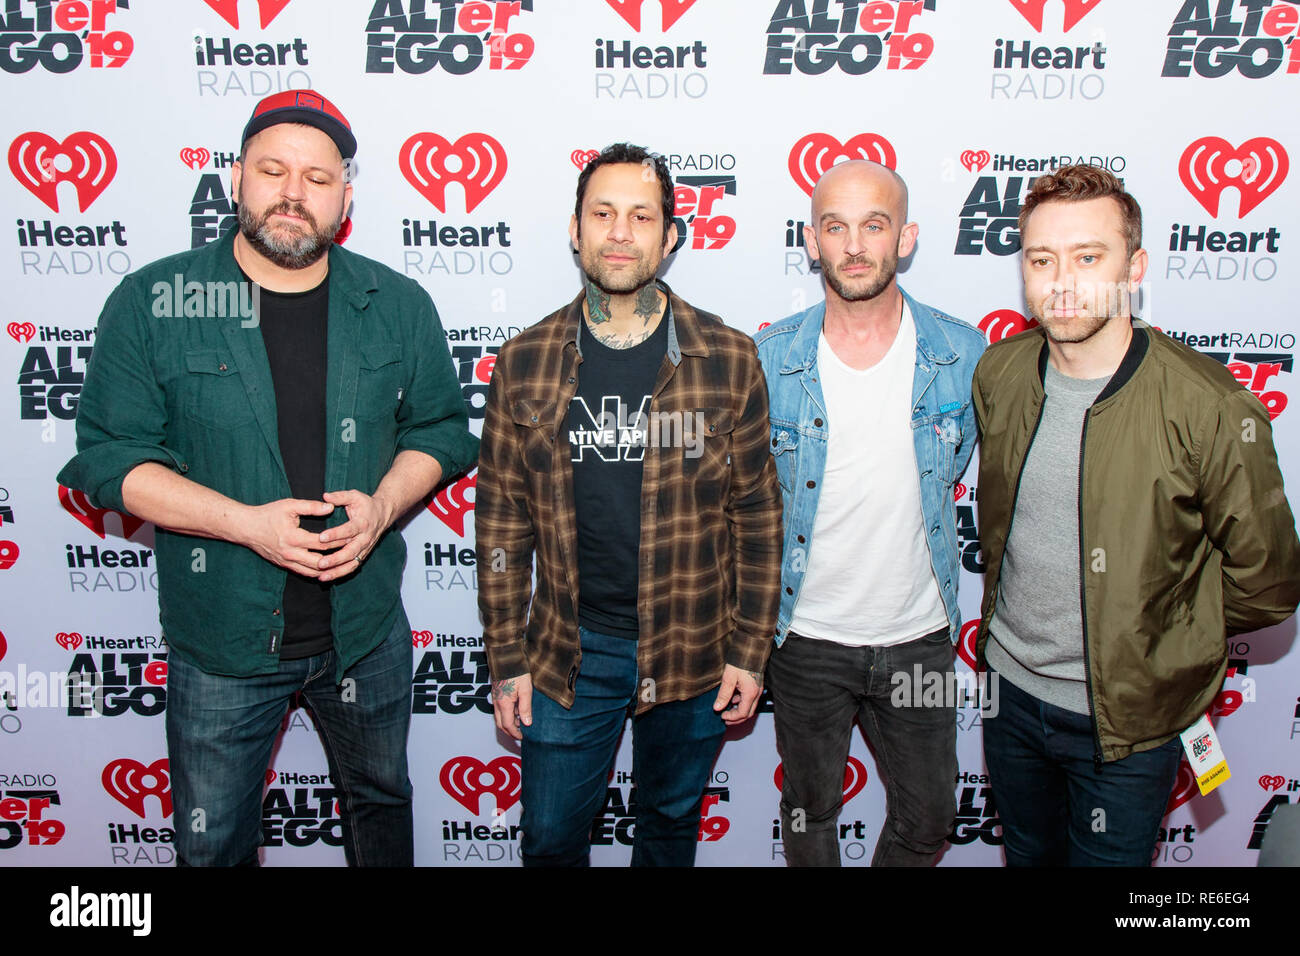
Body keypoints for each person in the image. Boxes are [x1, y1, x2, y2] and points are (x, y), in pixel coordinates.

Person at [57, 89, 478, 866]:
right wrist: (246, 524)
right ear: (234, 179)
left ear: (346, 197)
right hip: (223, 639)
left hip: (364, 632)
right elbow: (109, 460)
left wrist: (385, 504)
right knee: (212, 844)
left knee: (383, 807)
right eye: (273, 169)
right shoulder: (156, 300)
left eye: (319, 178)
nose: (294, 192)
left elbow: (442, 429)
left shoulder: (396, 303)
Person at [972, 163, 1300, 866]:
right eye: (1042, 259)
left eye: (1089, 257)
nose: (1062, 280)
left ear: (1135, 265)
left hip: (1127, 724)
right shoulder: (998, 372)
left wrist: (1163, 639)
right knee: (1028, 855)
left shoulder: (1209, 406)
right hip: (1008, 698)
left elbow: (1269, 583)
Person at [475, 143, 782, 867]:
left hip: (695, 645)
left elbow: (759, 518)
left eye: (641, 215)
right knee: (550, 841)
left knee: (670, 828)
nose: (620, 231)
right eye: (603, 213)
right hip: (567, 651)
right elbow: (500, 522)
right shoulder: (525, 359)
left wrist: (749, 649)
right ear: (575, 230)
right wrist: (505, 658)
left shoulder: (728, 356)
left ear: (670, 237)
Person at [755, 160, 985, 866]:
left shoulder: (963, 353)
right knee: (808, 812)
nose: (854, 245)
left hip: (918, 634)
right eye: (836, 227)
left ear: (905, 238)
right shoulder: (768, 358)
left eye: (874, 226)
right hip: (807, 642)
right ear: (812, 240)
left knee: (929, 816)